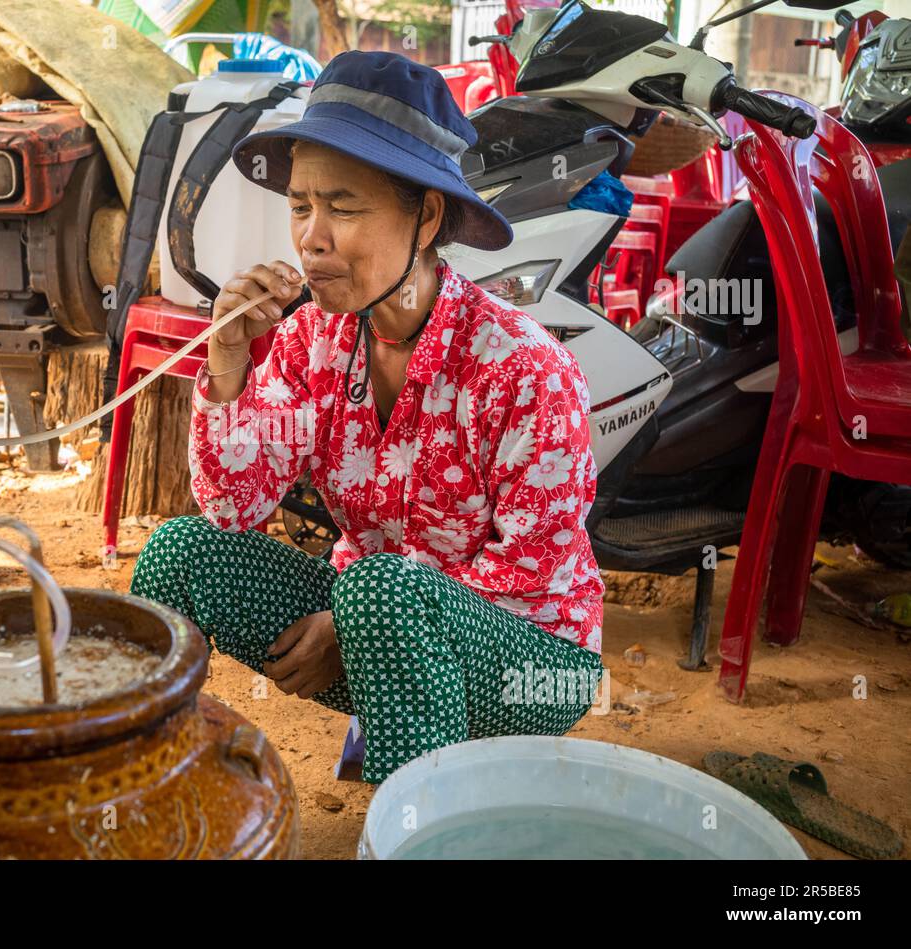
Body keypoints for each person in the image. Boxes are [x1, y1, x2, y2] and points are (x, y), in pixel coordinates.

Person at [130, 50, 605, 784]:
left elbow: (527, 576)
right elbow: (232, 505)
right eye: (299, 205)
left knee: (378, 591)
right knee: (178, 555)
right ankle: (145, 786)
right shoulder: (309, 341)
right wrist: (227, 355)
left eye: (343, 207)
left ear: (428, 215)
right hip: (376, 624)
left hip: (527, 659)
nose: (311, 237)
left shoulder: (522, 369)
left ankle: (414, 828)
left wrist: (353, 627)